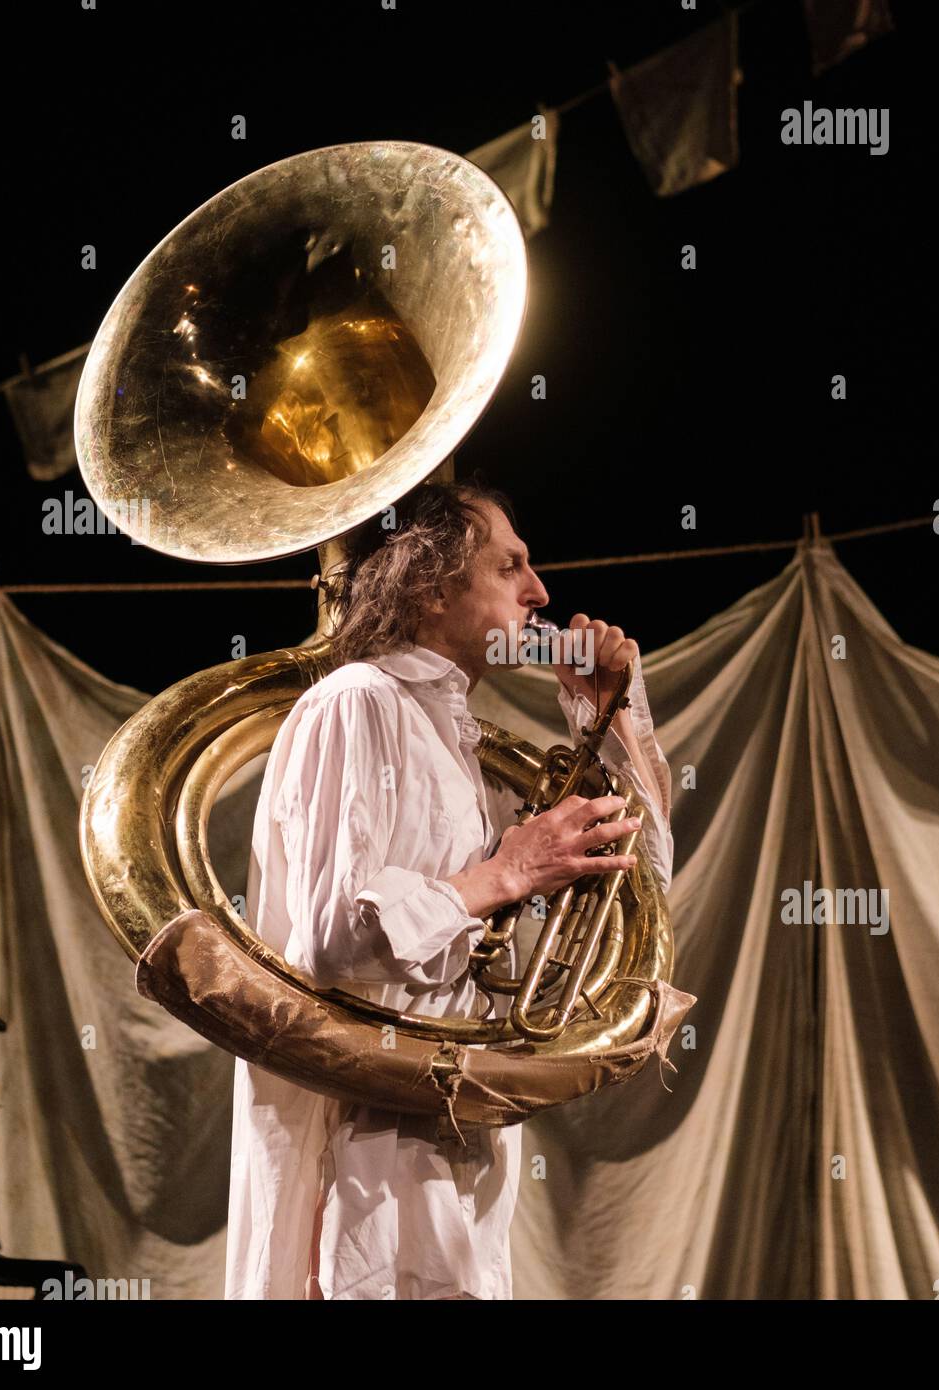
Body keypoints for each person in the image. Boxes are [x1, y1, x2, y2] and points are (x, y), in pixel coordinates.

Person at [224, 476, 674, 1300]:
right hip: (362, 1155)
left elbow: (639, 880)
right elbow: (331, 938)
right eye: (512, 567)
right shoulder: (357, 702)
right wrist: (507, 872)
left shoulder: (454, 740)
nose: (540, 593)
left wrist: (604, 715)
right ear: (431, 583)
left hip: (442, 1135)